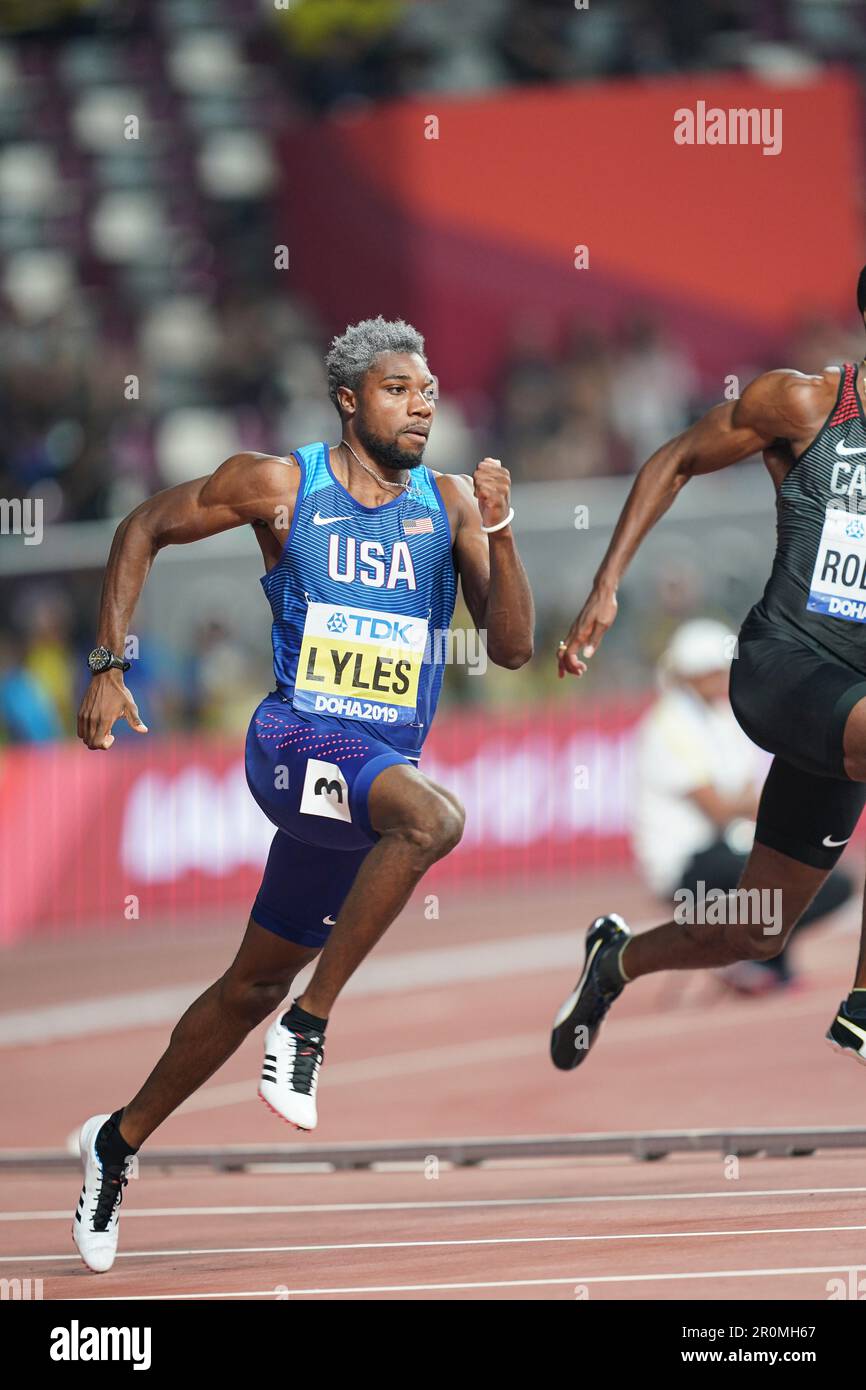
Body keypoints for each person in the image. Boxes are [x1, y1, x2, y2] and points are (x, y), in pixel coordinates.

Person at [72, 316, 534, 1271]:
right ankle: (311, 1028)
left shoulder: (448, 505)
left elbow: (514, 647)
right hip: (293, 743)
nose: (423, 407)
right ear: (350, 399)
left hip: (365, 781)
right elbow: (142, 527)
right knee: (434, 819)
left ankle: (115, 1143)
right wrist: (111, 663)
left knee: (250, 981)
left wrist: (500, 531)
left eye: (430, 393)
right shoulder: (282, 485)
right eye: (401, 391)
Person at [550, 263, 866, 1075]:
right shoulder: (807, 404)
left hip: (850, 713)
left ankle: (613, 961)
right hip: (781, 666)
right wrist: (607, 584)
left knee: (757, 929)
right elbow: (676, 460)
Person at [632, 618, 852, 995]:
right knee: (774, 879)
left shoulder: (725, 718)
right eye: (718, 671)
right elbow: (720, 809)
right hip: (687, 862)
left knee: (831, 883)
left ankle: (759, 954)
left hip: (732, 845)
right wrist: (758, 803)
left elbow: (752, 797)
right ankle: (745, 955)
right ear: (695, 674)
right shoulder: (667, 723)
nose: (725, 679)